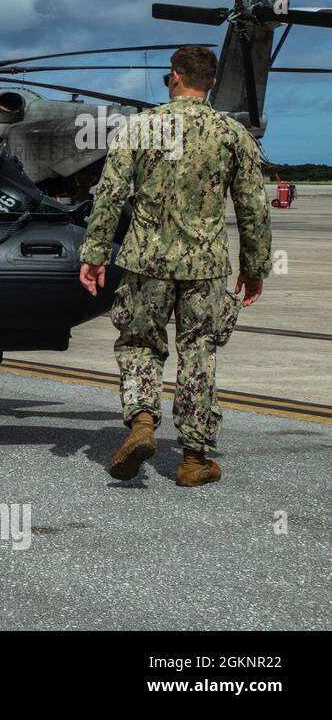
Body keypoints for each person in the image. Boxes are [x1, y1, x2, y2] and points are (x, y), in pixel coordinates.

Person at [78, 46, 271, 487]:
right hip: (205, 266)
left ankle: (143, 421)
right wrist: (254, 265)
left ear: (175, 77)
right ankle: (194, 458)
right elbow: (253, 208)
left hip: (146, 260)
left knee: (140, 344)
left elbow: (108, 194)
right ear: (213, 83)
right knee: (199, 352)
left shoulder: (140, 128)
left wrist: (94, 254)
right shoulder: (233, 134)